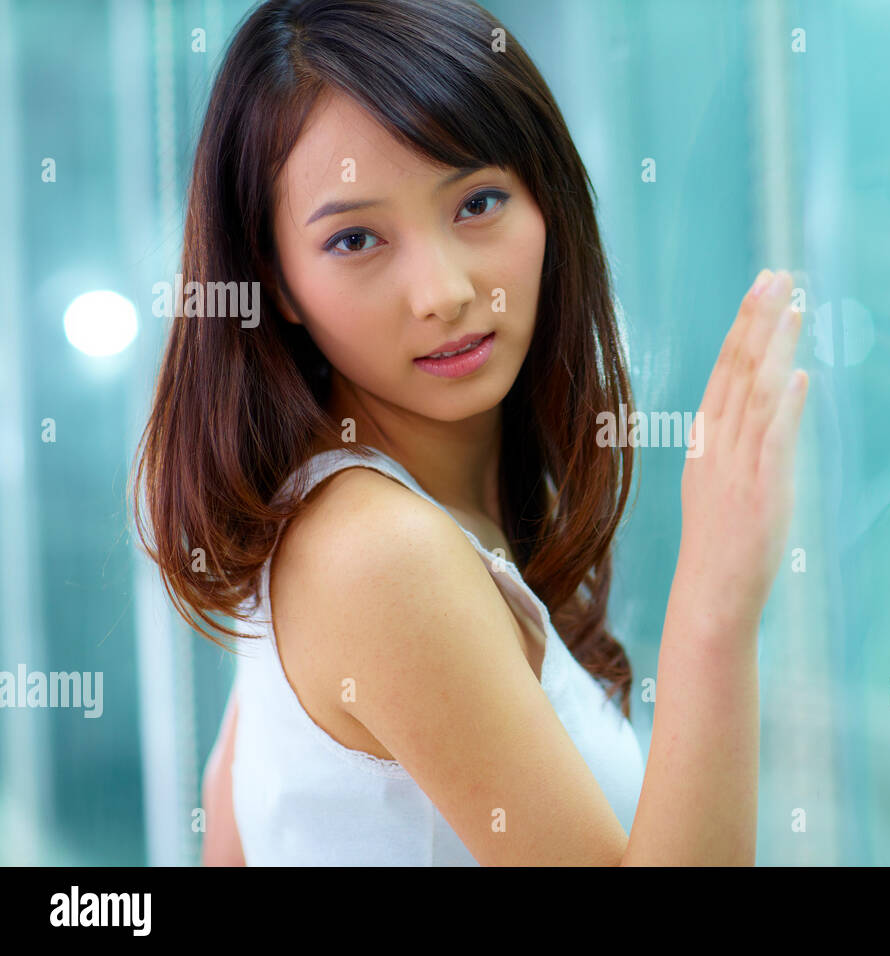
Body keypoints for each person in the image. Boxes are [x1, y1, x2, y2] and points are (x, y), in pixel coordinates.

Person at [131, 0, 807, 866]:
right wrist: (715, 604)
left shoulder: (325, 521)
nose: (443, 292)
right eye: (355, 238)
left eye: (477, 201)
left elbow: (225, 831)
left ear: (547, 199)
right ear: (278, 282)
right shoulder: (377, 555)